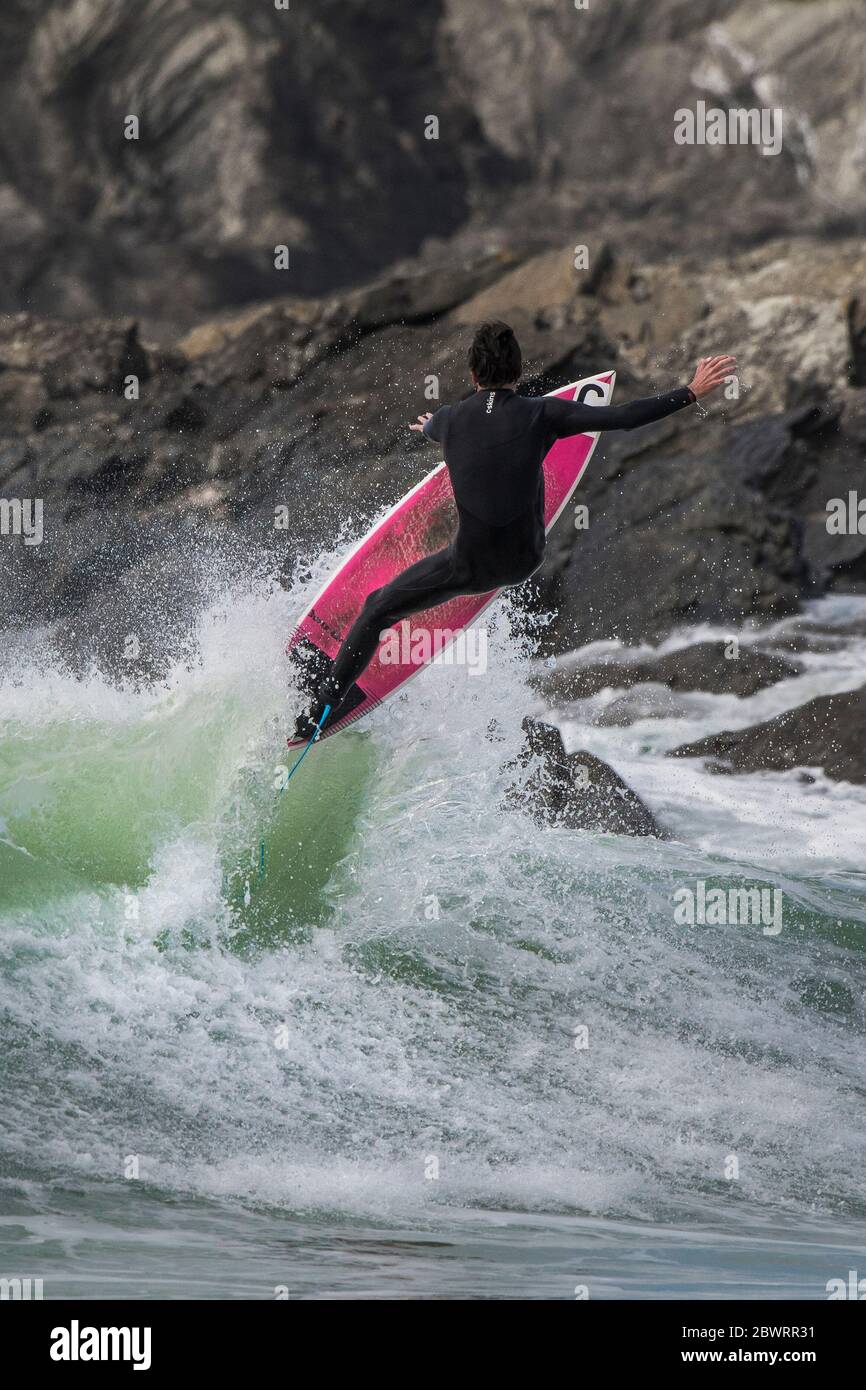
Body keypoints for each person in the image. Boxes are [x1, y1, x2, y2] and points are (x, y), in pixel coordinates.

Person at [294, 322, 736, 738]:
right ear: (520, 371)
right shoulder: (543, 412)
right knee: (532, 465)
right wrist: (691, 391)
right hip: (525, 557)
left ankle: (327, 703)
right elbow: (622, 418)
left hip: (468, 568)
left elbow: (433, 427)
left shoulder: (449, 420)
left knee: (377, 607)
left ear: (472, 372)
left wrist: (430, 426)